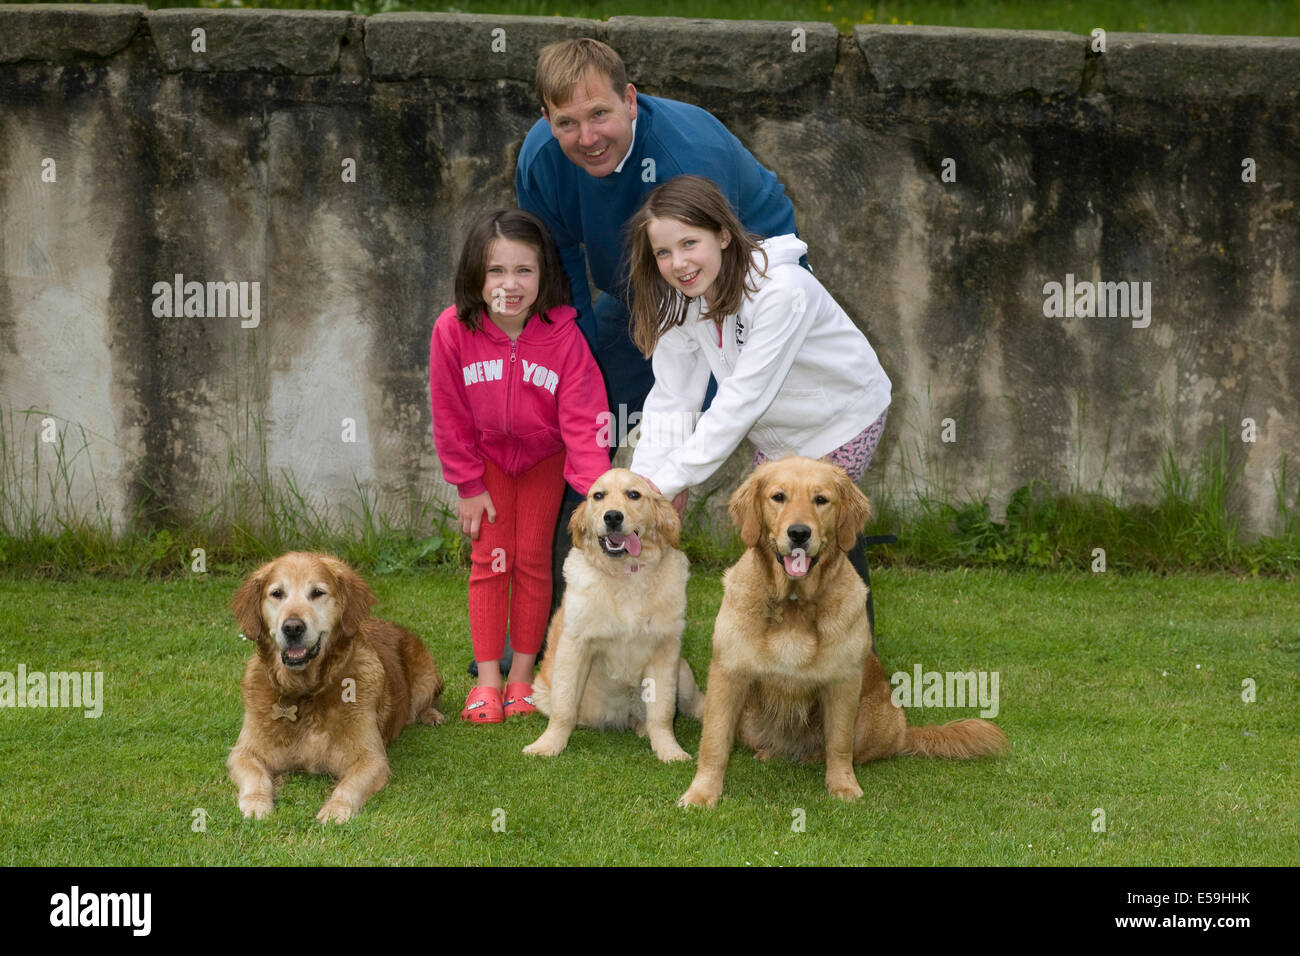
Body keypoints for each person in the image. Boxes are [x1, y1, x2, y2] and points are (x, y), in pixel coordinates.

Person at [516, 37, 804, 611]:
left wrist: (676, 453)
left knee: (754, 450)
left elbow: (710, 270)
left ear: (630, 99)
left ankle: (804, 633)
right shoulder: (540, 159)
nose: (588, 137)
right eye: (568, 122)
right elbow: (561, 263)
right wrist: (584, 372)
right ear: (547, 119)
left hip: (738, 288)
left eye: (600, 113)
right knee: (573, 424)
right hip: (639, 295)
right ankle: (554, 625)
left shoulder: (683, 155)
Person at [626, 176, 891, 636]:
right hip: (778, 429)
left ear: (724, 235)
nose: (678, 263)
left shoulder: (782, 290)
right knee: (773, 534)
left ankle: (849, 658)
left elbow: (740, 401)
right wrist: (647, 484)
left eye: (691, 243)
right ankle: (782, 654)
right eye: (663, 253)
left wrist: (669, 482)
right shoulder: (686, 295)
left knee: (819, 535)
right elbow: (672, 398)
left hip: (841, 418)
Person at [429, 209, 609, 723]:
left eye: (523, 271)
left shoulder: (564, 337)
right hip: (484, 464)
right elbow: (449, 412)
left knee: (532, 560)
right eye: (495, 271)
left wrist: (594, 490)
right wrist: (466, 483)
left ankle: (523, 677)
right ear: (475, 276)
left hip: (543, 461)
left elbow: (584, 414)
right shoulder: (452, 331)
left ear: (544, 273)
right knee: (490, 560)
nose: (510, 284)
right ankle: (487, 682)